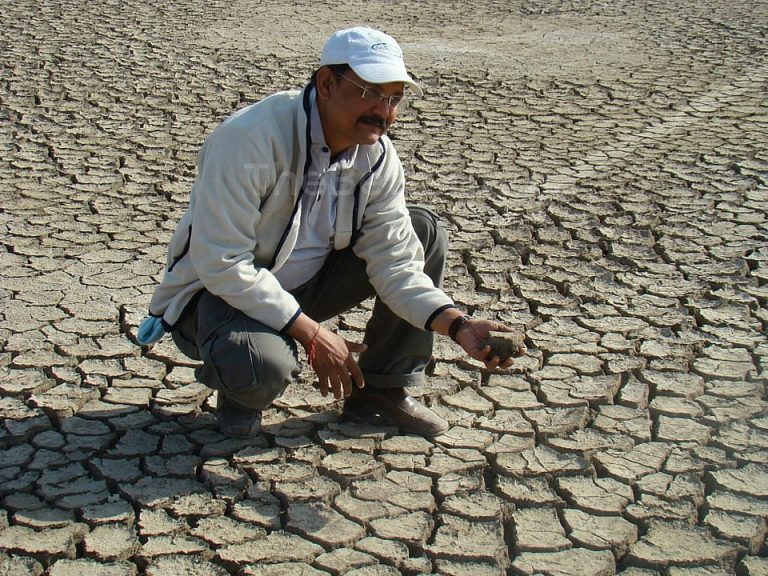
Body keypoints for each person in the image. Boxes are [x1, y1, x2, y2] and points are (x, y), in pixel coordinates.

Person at [137, 26, 523, 438]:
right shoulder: (251, 140)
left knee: (420, 231)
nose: (384, 110)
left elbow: (396, 265)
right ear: (326, 83)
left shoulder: (376, 157)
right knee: (259, 365)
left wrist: (458, 325)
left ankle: (382, 390)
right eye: (371, 92)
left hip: (305, 285)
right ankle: (240, 392)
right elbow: (222, 263)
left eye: (395, 98)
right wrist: (313, 333)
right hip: (217, 295)